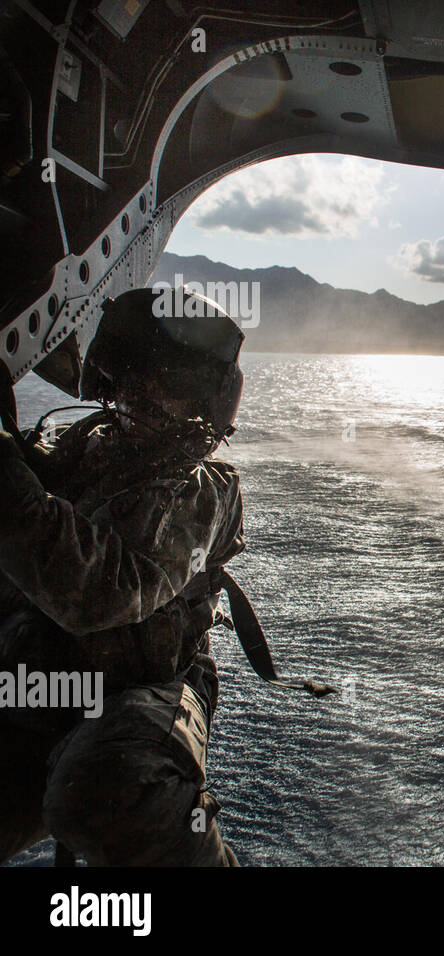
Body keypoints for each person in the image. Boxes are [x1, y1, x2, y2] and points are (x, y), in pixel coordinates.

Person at [0, 287, 247, 866]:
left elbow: (99, 592)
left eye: (172, 385)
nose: (149, 395)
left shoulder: (198, 494)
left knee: (109, 783)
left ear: (203, 404)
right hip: (36, 689)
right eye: (138, 376)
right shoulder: (81, 450)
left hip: (144, 690)